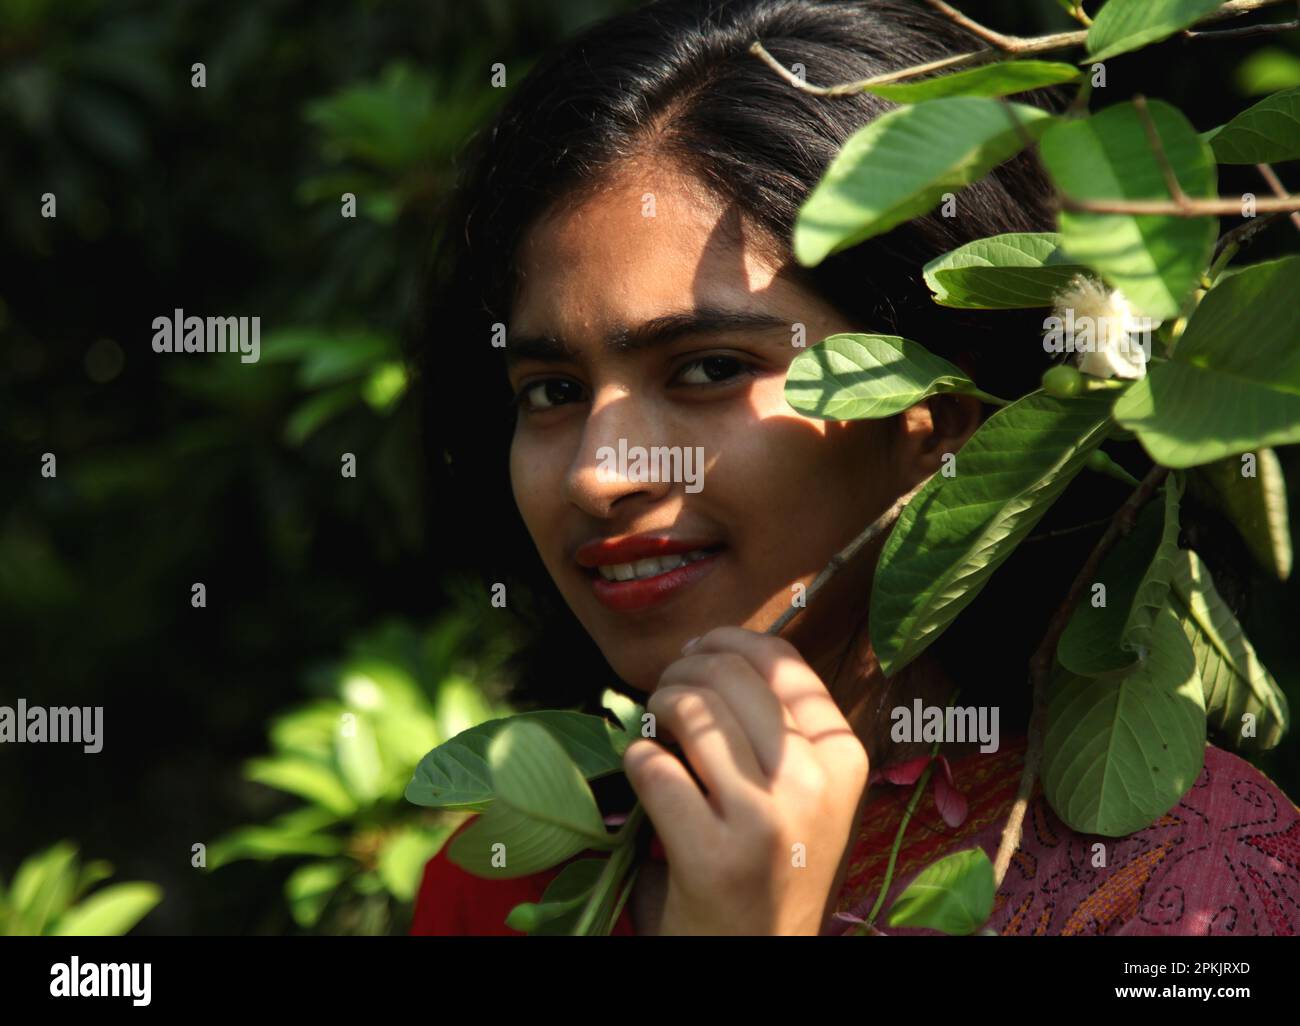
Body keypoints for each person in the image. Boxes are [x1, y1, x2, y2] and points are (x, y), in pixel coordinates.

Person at [407, 0, 1300, 935]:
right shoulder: (496, 891)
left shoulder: (1191, 892)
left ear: (941, 419)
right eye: (550, 391)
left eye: (710, 368)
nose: (597, 475)